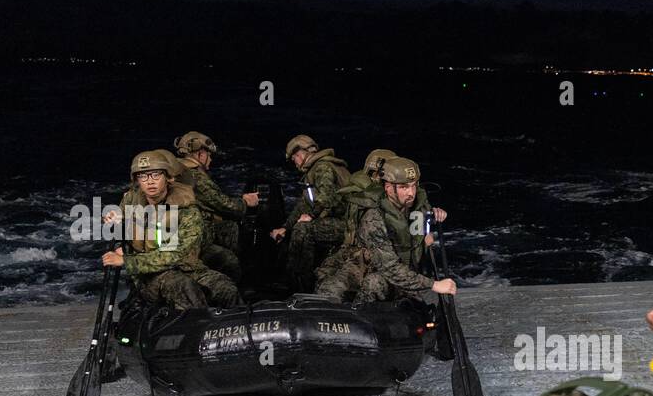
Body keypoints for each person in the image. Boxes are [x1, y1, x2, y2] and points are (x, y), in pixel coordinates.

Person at [100, 151, 240, 309]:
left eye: (156, 175)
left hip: (185, 268)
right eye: (143, 176)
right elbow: (117, 217)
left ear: (167, 178)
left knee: (225, 288)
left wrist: (127, 261)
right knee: (182, 286)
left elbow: (176, 254)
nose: (150, 182)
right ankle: (194, 327)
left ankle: (235, 328)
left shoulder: (186, 210)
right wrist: (112, 218)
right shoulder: (132, 201)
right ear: (137, 180)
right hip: (150, 276)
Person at [314, 156, 456, 304]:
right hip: (377, 267)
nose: (411, 193)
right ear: (388, 188)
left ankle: (364, 314)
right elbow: (390, 268)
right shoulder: (374, 218)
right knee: (329, 289)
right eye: (404, 187)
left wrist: (433, 217)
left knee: (374, 283)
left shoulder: (416, 207)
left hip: (396, 273)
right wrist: (434, 285)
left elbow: (415, 231)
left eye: (414, 186)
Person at [172, 130, 260, 282]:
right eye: (209, 155)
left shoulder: (175, 170)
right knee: (230, 259)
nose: (210, 159)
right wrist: (245, 202)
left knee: (229, 226)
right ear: (200, 154)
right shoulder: (195, 176)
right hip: (192, 234)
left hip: (178, 231)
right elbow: (224, 204)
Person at [270, 134, 354, 291]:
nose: (294, 162)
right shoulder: (314, 170)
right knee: (298, 228)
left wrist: (312, 216)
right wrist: (285, 228)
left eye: (294, 158)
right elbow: (303, 205)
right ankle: (294, 279)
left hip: (348, 226)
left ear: (300, 154)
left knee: (304, 229)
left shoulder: (323, 168)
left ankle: (300, 286)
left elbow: (326, 198)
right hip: (340, 221)